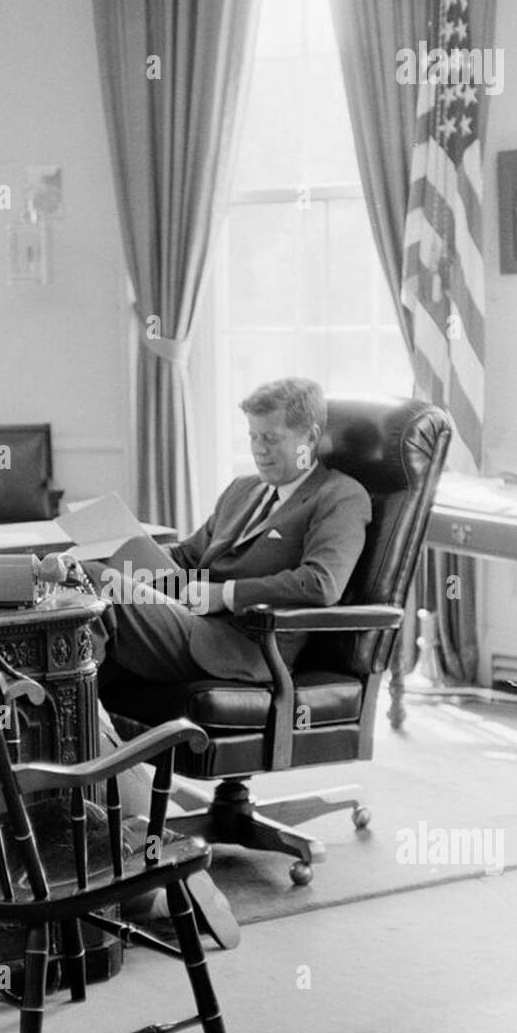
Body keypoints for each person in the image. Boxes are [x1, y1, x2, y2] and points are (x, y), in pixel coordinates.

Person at [90, 377, 373, 947]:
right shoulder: (244, 489)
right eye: (253, 436)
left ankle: (98, 795)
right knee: (88, 584)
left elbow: (323, 584)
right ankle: (102, 794)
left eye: (271, 437)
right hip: (192, 620)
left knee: (97, 594)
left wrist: (224, 596)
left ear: (310, 437)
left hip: (247, 648)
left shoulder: (340, 496)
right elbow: (190, 558)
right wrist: (129, 550)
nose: (259, 448)